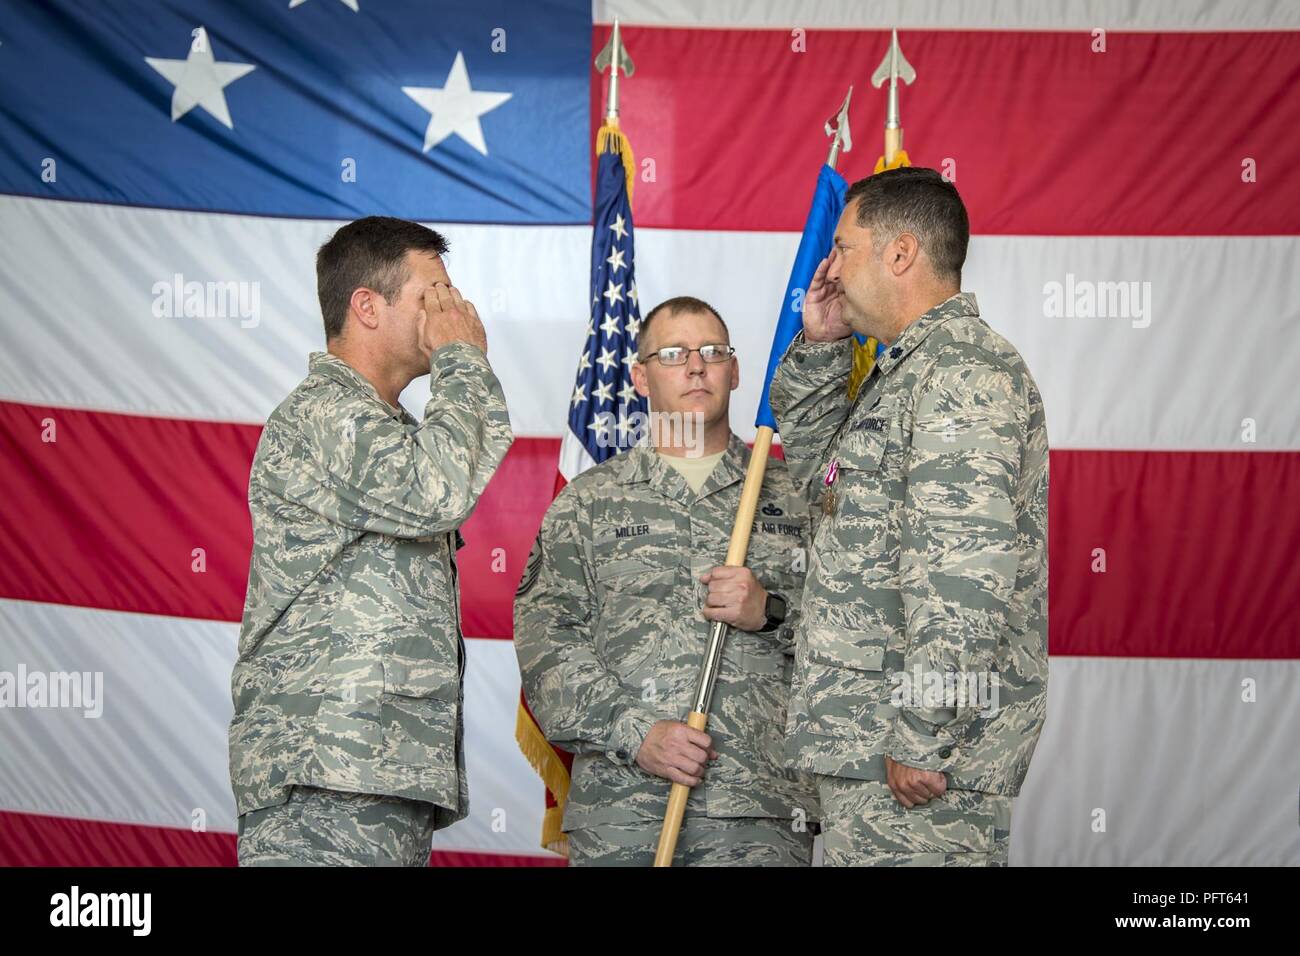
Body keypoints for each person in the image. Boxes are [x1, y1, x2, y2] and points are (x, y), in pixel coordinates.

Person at [770, 168, 1048, 866]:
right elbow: (818, 480)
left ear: (899, 254)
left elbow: (964, 572)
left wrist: (924, 732)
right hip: (872, 753)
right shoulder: (907, 371)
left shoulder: (961, 372)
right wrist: (824, 347)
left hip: (914, 767)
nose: (828, 267)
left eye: (842, 247)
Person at [229, 216, 513, 866]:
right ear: (366, 306)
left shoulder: (383, 425)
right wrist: (462, 361)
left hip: (368, 769)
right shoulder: (326, 415)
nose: (453, 312)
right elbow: (435, 490)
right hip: (326, 770)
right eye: (433, 295)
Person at [515, 296, 817, 866]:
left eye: (712, 352)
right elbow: (546, 645)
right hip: (622, 812)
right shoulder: (589, 503)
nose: (696, 366)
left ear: (736, 371)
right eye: (674, 353)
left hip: (759, 812)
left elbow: (854, 630)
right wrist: (638, 733)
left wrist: (769, 611)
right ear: (641, 376)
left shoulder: (795, 498)